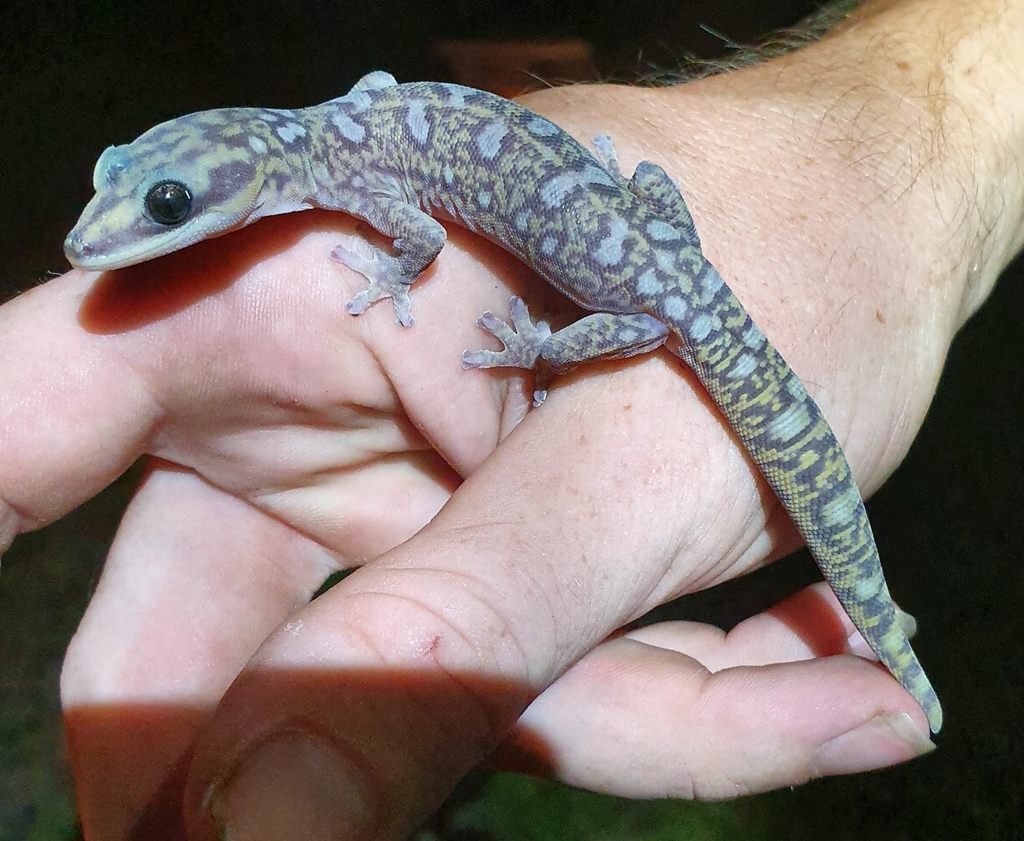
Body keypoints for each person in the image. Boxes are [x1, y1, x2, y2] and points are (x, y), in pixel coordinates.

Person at [1, 0, 1021, 837]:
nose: (107, 233)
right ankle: (886, 632)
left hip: (645, 309)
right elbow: (384, 108)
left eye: (166, 205)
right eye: (139, 192)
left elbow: (417, 243)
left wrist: (535, 345)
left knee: (593, 336)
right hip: (655, 234)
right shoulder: (343, 123)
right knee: (640, 221)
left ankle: (882, 626)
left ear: (246, 177)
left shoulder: (350, 173)